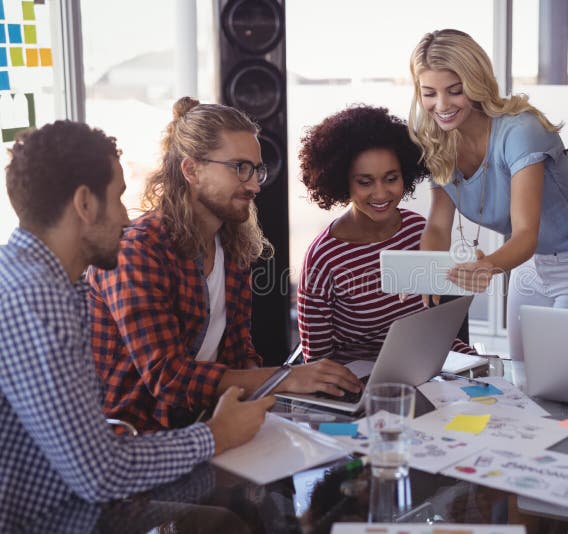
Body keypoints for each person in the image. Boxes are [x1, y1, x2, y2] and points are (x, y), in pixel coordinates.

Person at [0, 121, 274, 532]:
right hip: (59, 519)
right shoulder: (38, 302)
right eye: (118, 199)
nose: (128, 220)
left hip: (77, 500)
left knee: (228, 520)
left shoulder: (41, 280)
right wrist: (214, 435)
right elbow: (99, 474)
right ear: (84, 205)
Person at [87, 98, 362, 433]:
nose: (255, 185)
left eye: (256, 170)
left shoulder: (231, 241)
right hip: (143, 439)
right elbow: (169, 378)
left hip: (209, 421)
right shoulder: (138, 251)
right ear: (191, 170)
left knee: (344, 436)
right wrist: (286, 379)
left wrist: (273, 399)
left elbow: (238, 352)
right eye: (239, 168)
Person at [408, 29, 568, 360]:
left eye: (455, 91)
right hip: (529, 267)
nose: (441, 106)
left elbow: (526, 232)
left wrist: (488, 267)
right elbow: (439, 226)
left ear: (476, 81)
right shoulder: (440, 142)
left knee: (562, 376)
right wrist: (428, 273)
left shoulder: (519, 131)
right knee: (522, 376)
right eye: (429, 94)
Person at [297, 105, 473, 360]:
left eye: (391, 179)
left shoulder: (418, 232)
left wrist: (475, 362)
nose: (380, 194)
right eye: (365, 182)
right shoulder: (323, 258)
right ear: (343, 182)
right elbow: (316, 362)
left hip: (425, 367)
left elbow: (436, 327)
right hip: (360, 384)